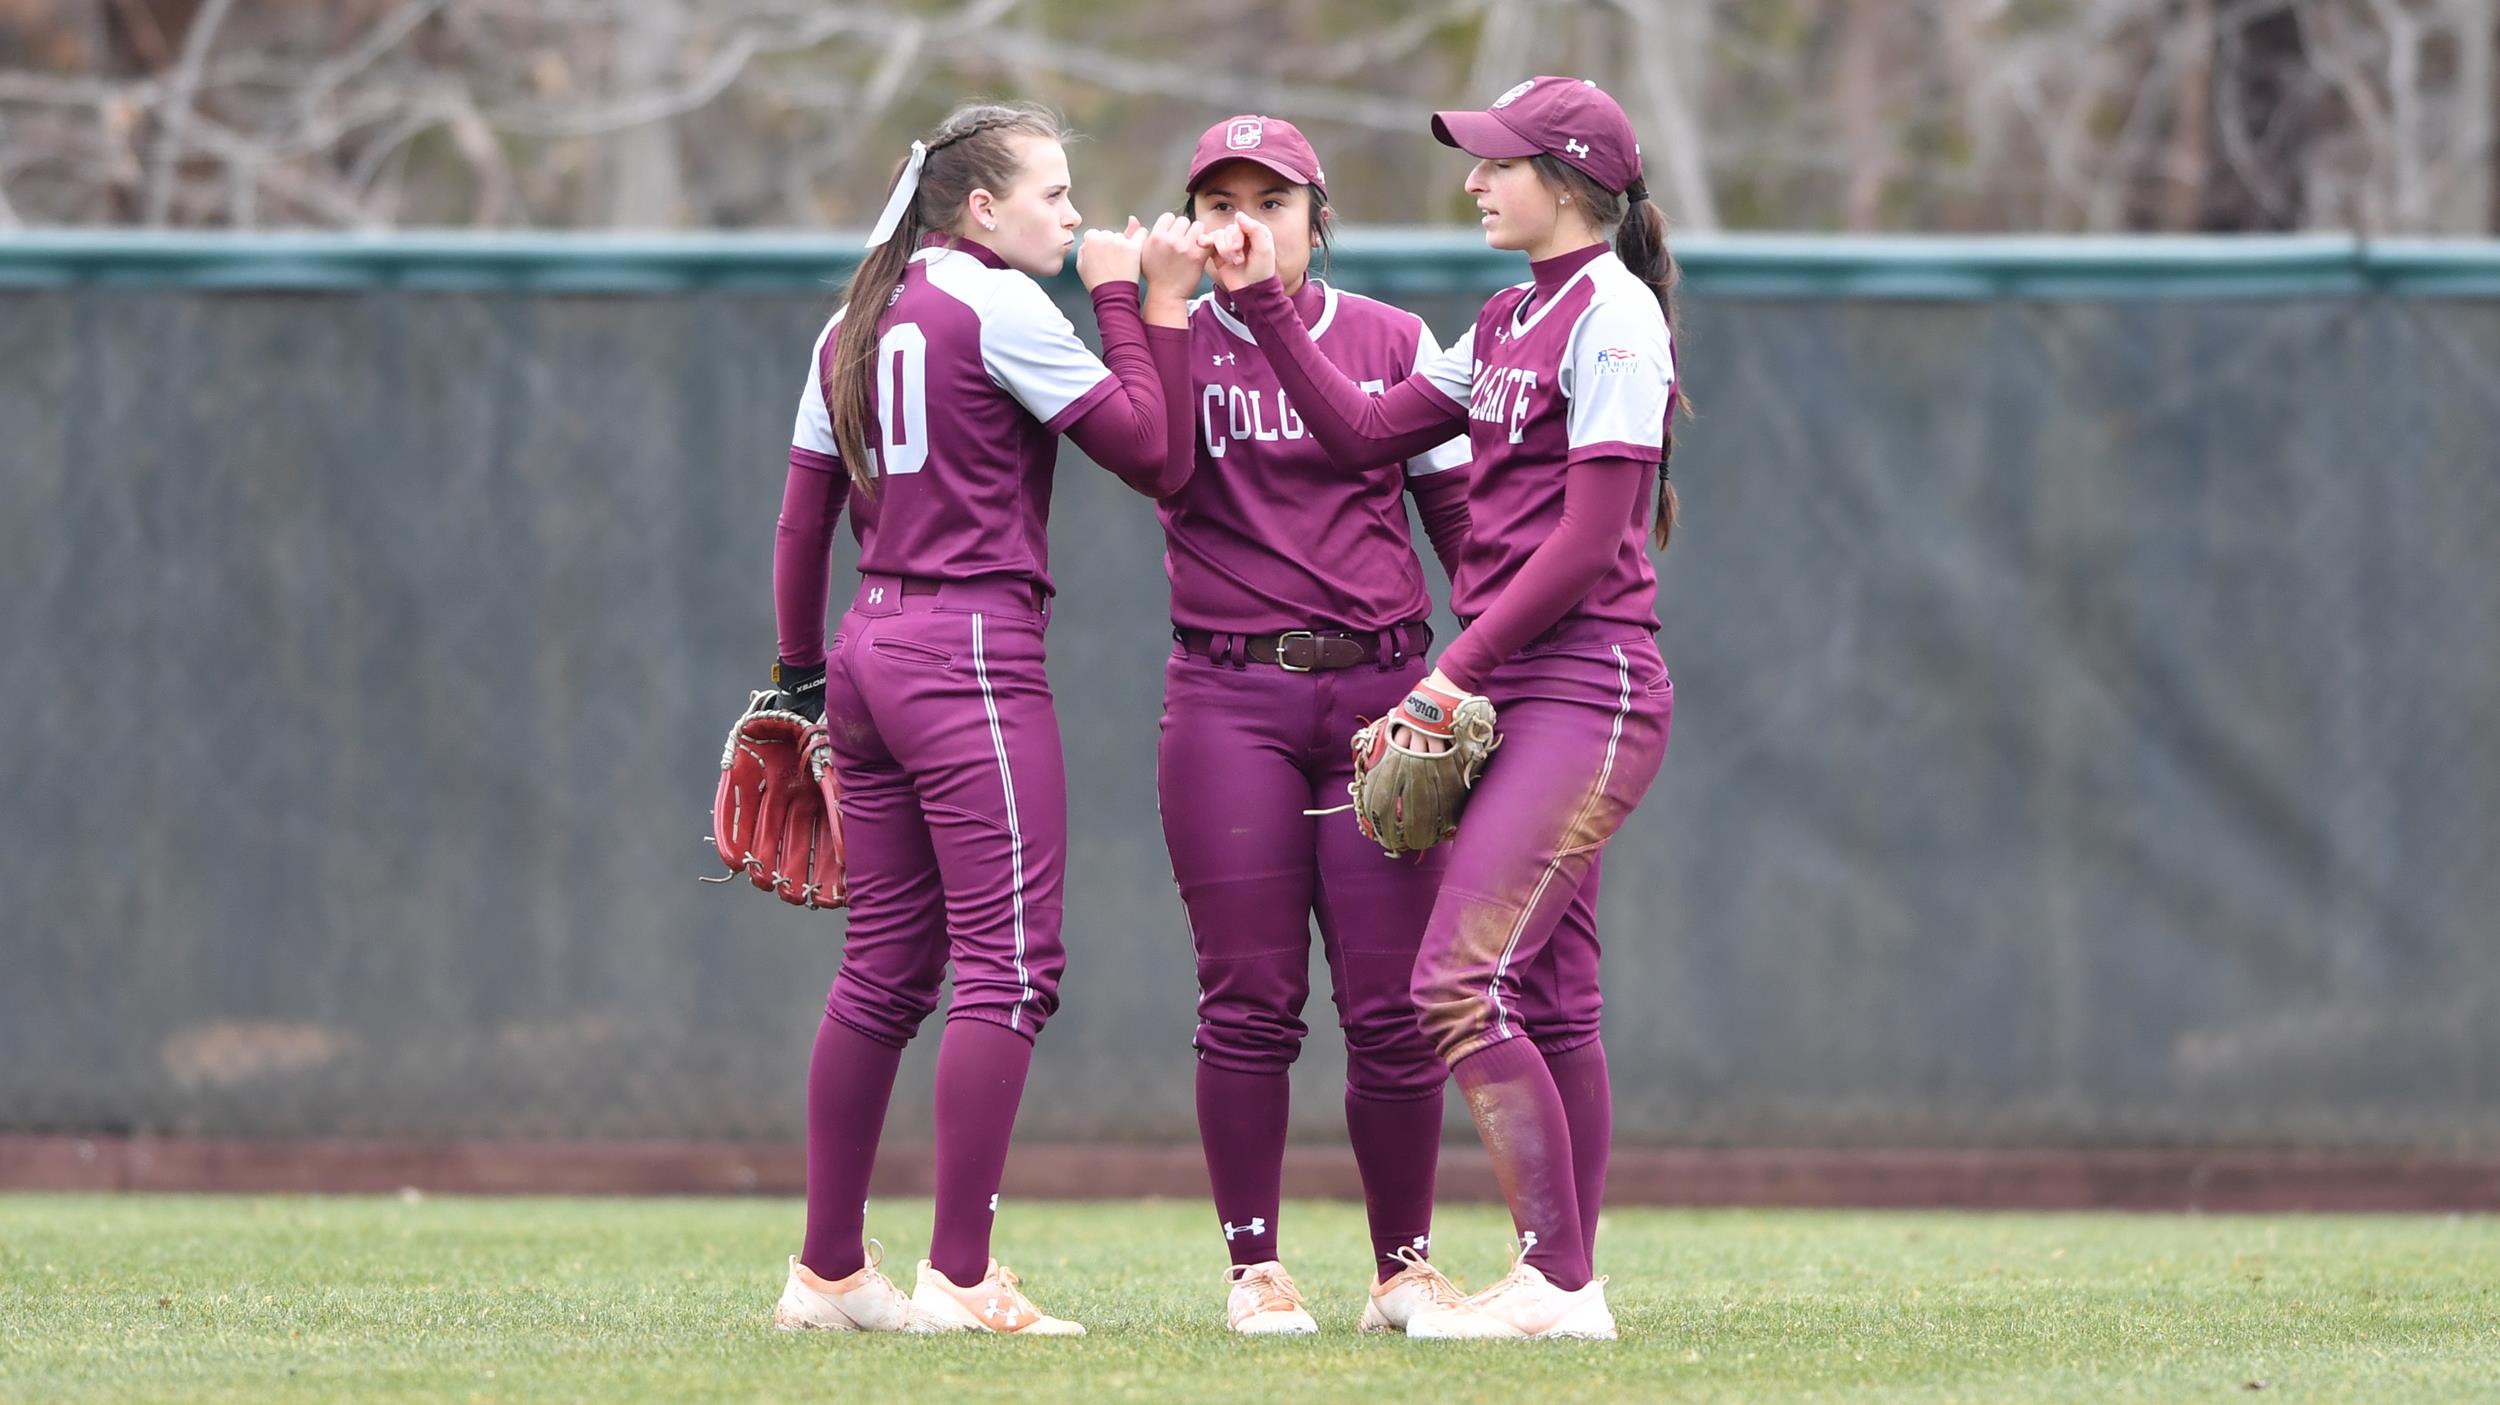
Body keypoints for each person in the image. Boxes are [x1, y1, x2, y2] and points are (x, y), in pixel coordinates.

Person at [1198, 75, 1684, 1341]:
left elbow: (1591, 542)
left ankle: (1558, 1283)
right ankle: (1564, 1278)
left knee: (1457, 980)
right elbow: (1364, 430)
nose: (1473, 181)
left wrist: (1448, 670)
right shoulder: (1511, 312)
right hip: (1520, 684)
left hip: (1585, 682)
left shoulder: (1615, 314)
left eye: (1496, 163)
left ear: (1567, 180)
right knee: (1551, 997)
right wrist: (1264, 303)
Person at [764, 99, 1202, 1336]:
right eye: (1052, 194)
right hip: (965, 649)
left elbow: (802, 523)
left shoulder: (853, 320)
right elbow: (1156, 454)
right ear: (979, 207)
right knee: (1007, 965)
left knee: (883, 970)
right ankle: (958, 1276)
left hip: (867, 648)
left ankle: (828, 1274)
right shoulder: (998, 303)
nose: (1072, 213)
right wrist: (1135, 300)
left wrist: (799, 680)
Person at [1153, 114, 1474, 1336]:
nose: (1245, 223)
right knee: (1248, 997)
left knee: (1391, 1004)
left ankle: (1403, 1267)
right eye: (1220, 201)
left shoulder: (1393, 339)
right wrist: (1154, 304)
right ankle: (1255, 1267)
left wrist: (1484, 671)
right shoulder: (1170, 337)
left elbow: (1460, 531)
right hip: (1229, 693)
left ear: (1316, 216)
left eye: (1272, 201)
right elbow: (1155, 465)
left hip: (1379, 693)